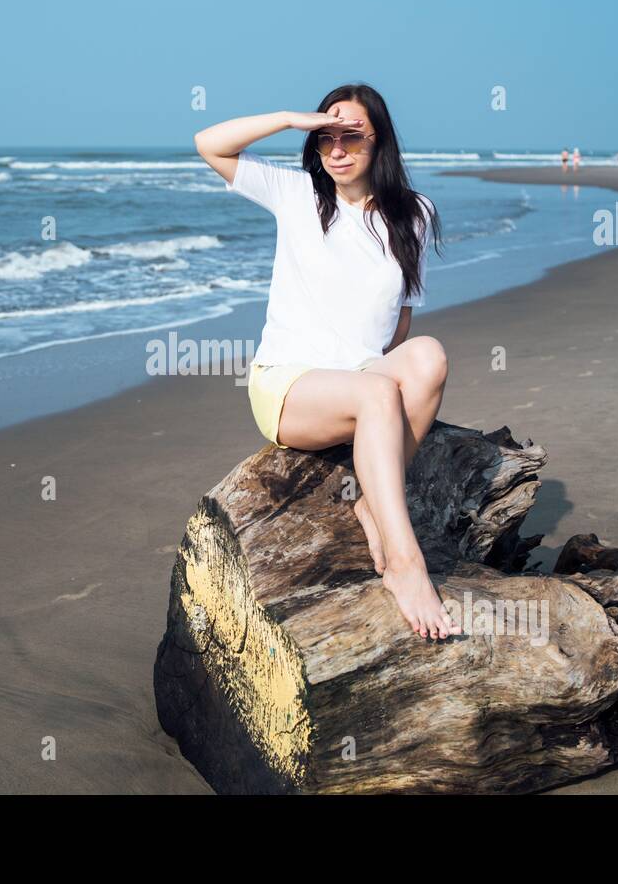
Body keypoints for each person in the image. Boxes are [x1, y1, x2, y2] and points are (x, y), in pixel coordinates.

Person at [194, 84, 460, 640]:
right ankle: (407, 565)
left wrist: (385, 398)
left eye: (351, 136)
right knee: (377, 394)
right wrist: (292, 118)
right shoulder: (294, 194)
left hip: (360, 378)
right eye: (325, 139)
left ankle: (371, 504)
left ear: (378, 139)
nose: (337, 150)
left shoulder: (415, 213)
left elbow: (402, 320)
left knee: (429, 356)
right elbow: (209, 143)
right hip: (289, 387)